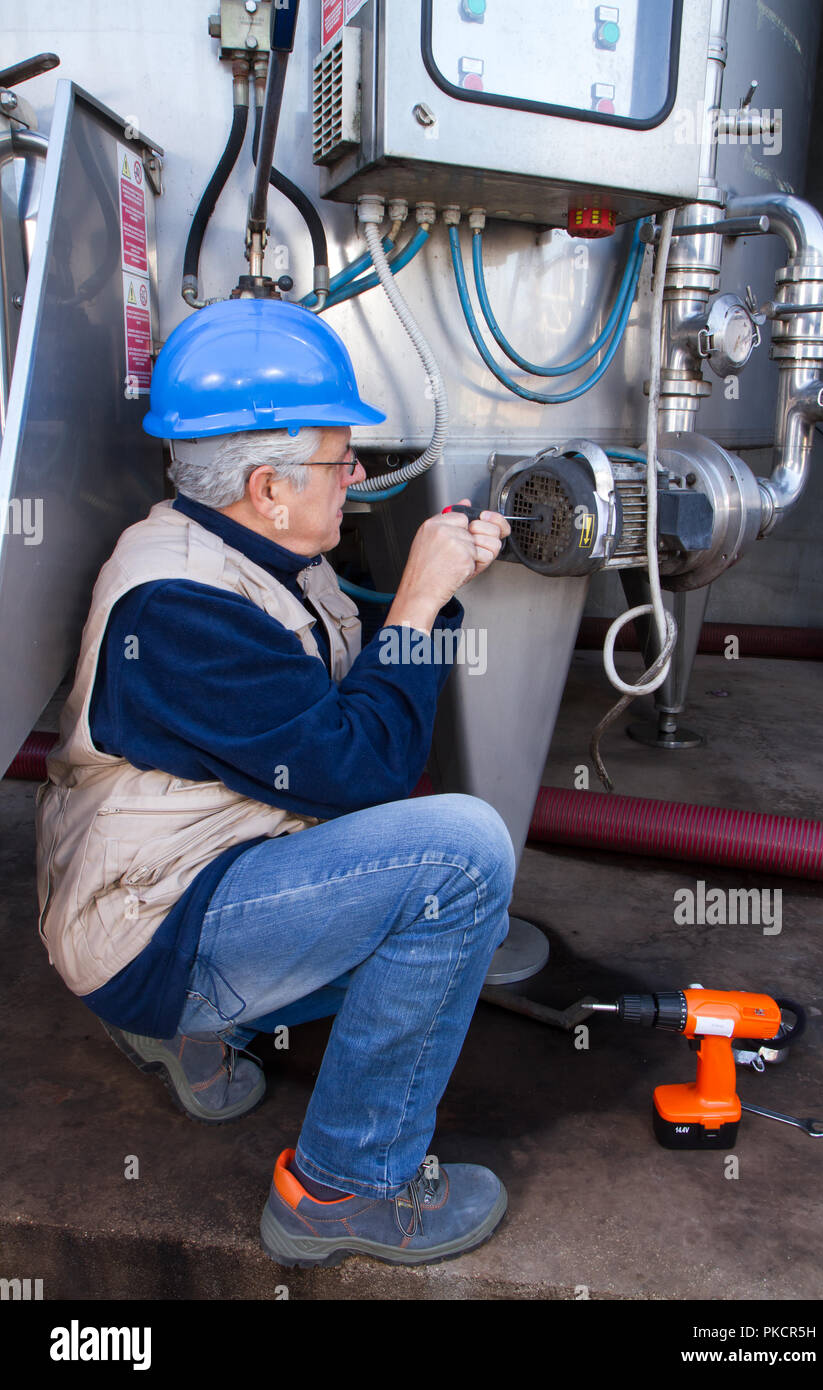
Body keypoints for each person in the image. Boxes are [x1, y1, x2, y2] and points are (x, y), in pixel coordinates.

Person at [34, 298, 515, 1268]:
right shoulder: (179, 604)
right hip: (147, 921)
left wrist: (433, 583)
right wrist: (418, 601)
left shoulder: (255, 546)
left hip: (191, 869)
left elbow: (333, 709)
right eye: (343, 461)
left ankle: (192, 1033)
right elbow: (362, 774)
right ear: (266, 484)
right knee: (459, 869)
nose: (360, 478)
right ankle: (342, 1189)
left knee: (463, 915)